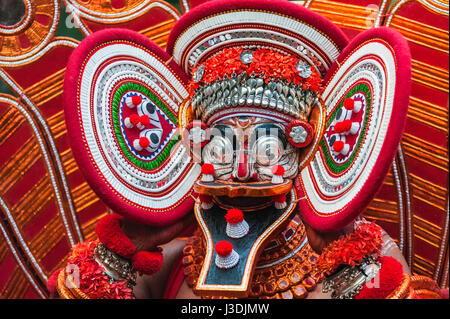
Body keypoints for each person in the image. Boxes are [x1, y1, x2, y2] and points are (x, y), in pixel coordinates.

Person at [50, 0, 442, 299]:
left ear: (304, 149)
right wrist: (122, 249)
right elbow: (72, 288)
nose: (240, 170)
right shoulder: (172, 260)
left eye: (266, 151)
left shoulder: (354, 251)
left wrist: (349, 262)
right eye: (221, 151)